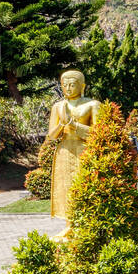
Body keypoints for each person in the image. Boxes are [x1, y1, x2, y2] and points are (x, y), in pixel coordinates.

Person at [43, 69, 101, 235]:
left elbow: (98, 133)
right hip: (64, 150)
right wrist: (62, 124)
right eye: (65, 85)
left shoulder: (92, 105)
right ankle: (70, 225)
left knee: (83, 186)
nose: (68, 88)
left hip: (84, 149)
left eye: (72, 84)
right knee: (66, 187)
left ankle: (85, 224)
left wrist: (74, 124)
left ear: (82, 86)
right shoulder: (58, 107)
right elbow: (51, 136)